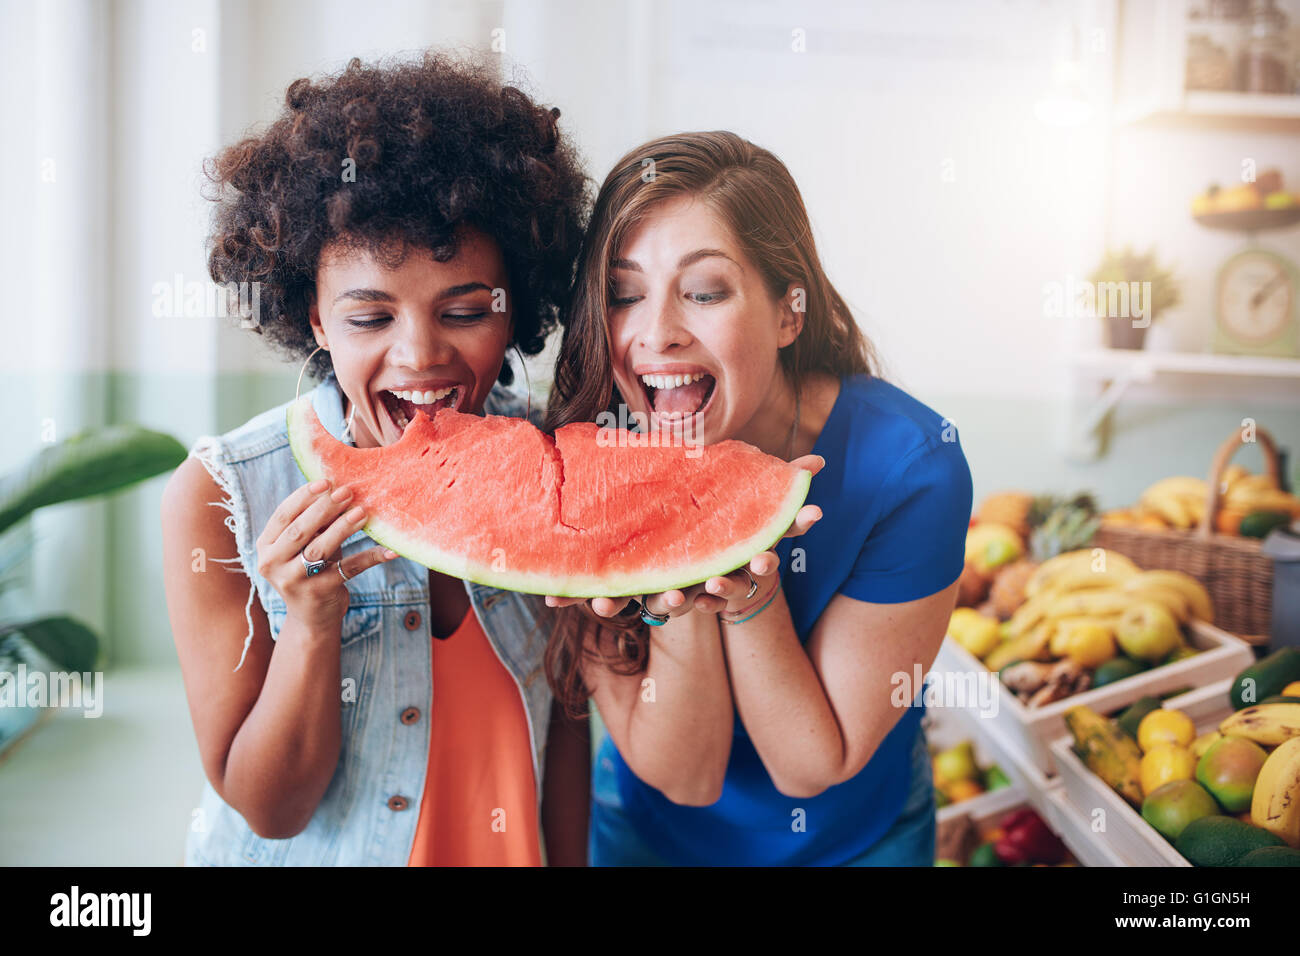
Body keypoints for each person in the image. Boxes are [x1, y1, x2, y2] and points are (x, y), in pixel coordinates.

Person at [161, 52, 591, 865]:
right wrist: (314, 624)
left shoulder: (551, 466)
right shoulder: (225, 494)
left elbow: (567, 734)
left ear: (516, 308)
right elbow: (270, 810)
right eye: (369, 319)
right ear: (313, 319)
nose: (420, 355)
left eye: (464, 310)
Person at [542, 130, 973, 866]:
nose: (657, 333)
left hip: (857, 842)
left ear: (787, 312)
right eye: (623, 294)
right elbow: (687, 775)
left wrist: (748, 597)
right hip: (652, 836)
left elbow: (814, 763)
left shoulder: (912, 466)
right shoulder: (580, 455)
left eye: (705, 292)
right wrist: (682, 544)